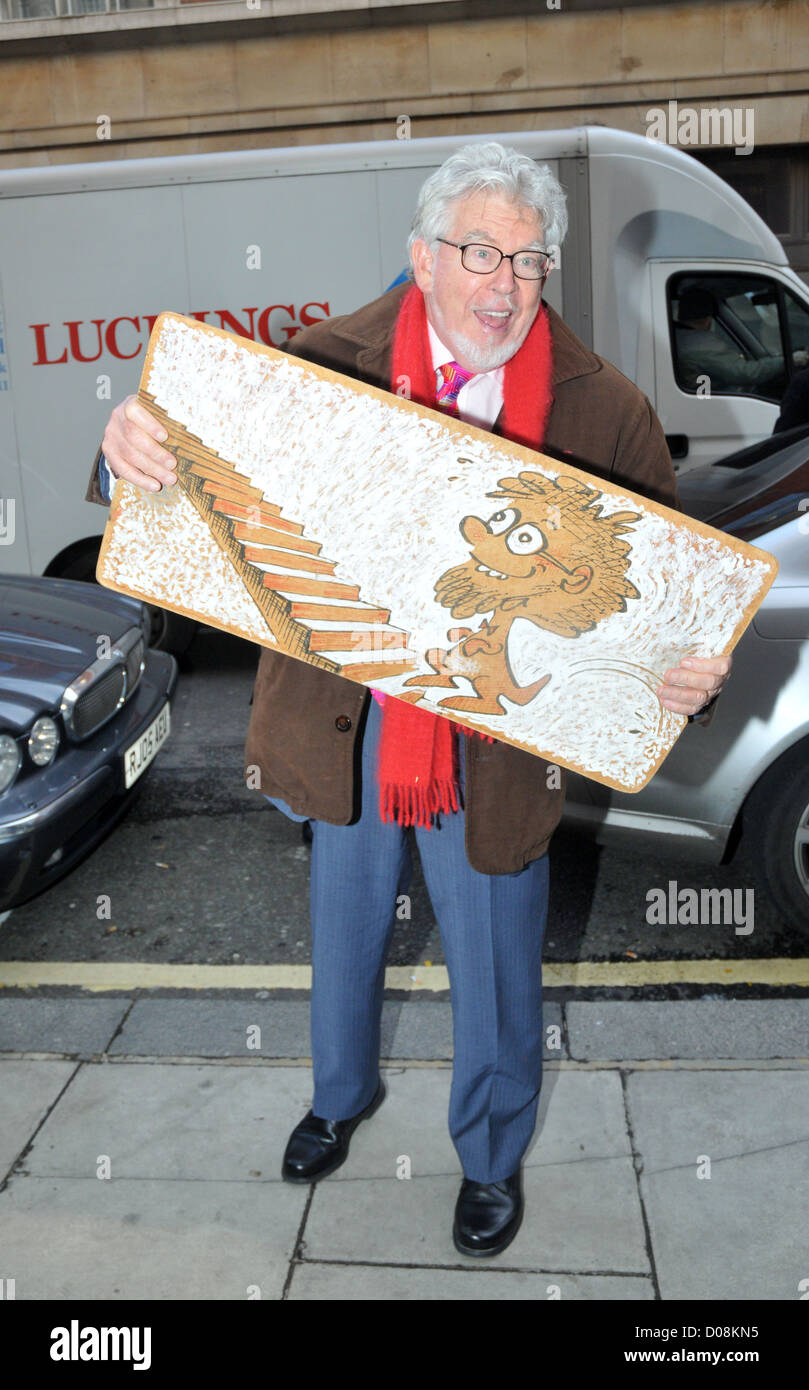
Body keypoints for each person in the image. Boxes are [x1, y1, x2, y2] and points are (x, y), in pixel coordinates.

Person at [84, 142, 731, 1259]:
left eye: (529, 261)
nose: (502, 283)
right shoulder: (319, 361)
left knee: (492, 962)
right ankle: (339, 1098)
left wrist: (690, 676)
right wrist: (122, 447)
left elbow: (667, 620)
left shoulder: (606, 410)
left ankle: (488, 1154)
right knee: (341, 937)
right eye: (477, 251)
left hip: (495, 738)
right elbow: (168, 485)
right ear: (420, 258)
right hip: (343, 722)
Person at [674, 286, 808, 394]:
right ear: (709, 318)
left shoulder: (678, 336)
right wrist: (788, 360)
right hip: (714, 404)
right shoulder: (699, 343)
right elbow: (745, 373)